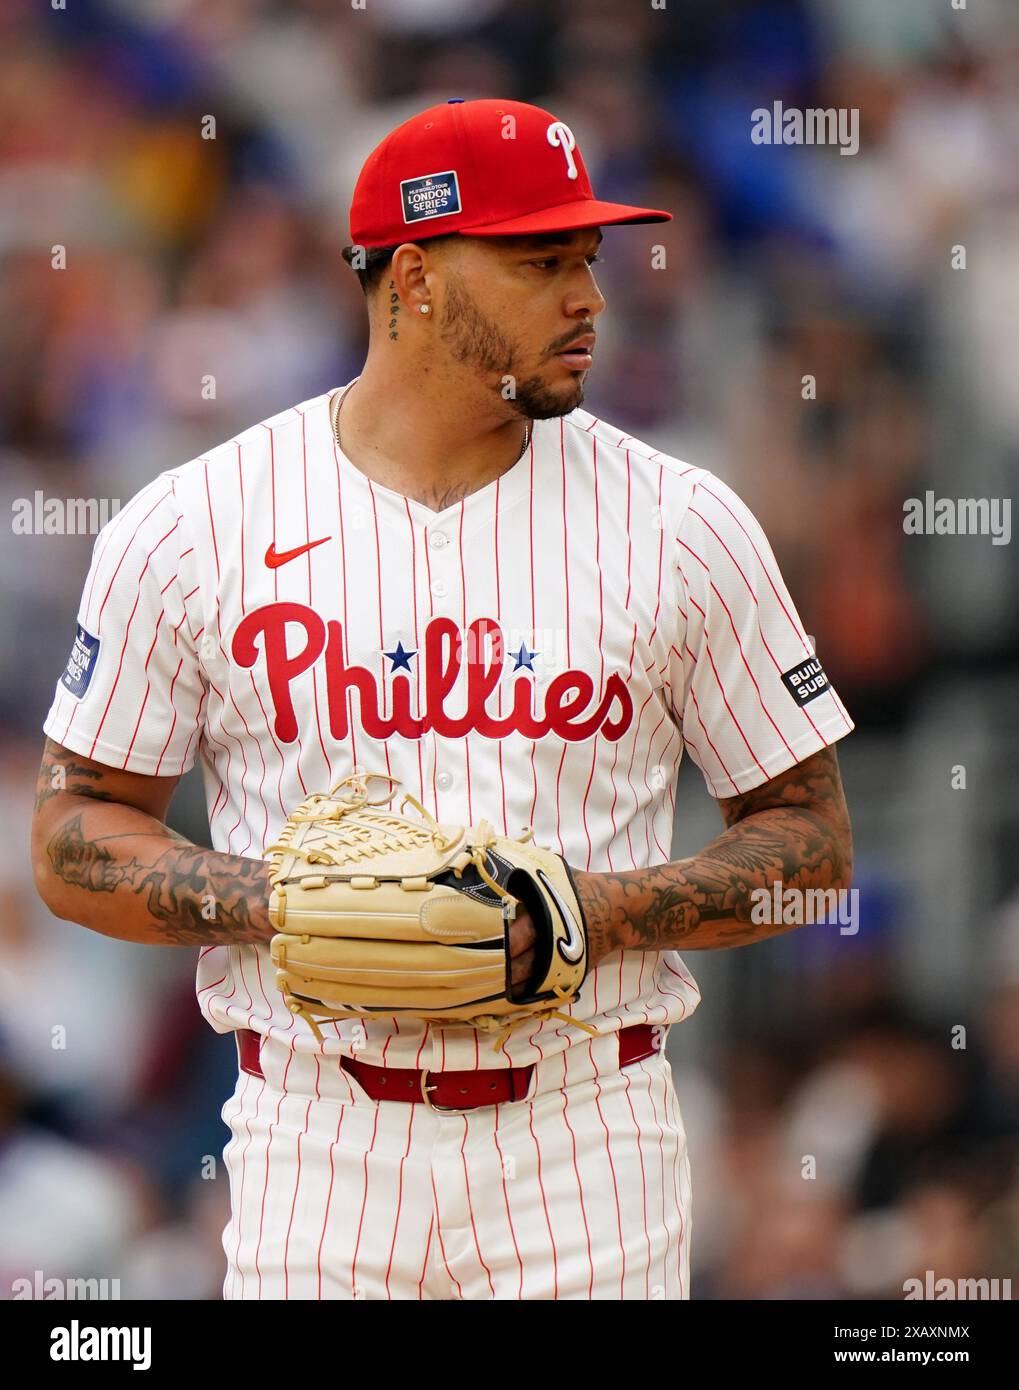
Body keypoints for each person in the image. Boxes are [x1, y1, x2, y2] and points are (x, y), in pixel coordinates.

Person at [31, 98, 853, 1300]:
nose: (588, 298)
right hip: (318, 1133)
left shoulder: (684, 523)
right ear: (413, 276)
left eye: (587, 258)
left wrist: (581, 914)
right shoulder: (195, 523)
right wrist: (289, 903)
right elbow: (69, 834)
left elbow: (813, 842)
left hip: (586, 1124)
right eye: (540, 262)